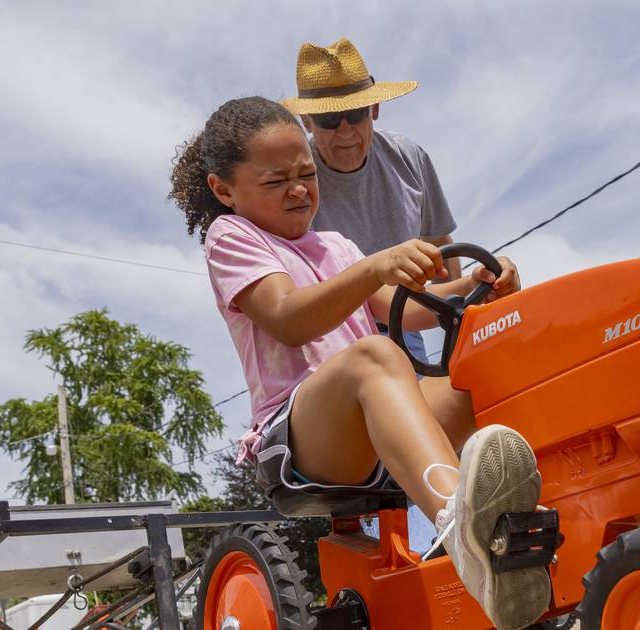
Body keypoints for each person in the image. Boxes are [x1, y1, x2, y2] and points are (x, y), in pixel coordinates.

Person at [169, 96, 550, 629]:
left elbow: (410, 310)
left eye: (306, 173)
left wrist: (472, 287)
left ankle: (557, 515)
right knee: (375, 354)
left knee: (482, 371)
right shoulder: (232, 238)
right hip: (300, 440)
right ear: (223, 189)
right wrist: (375, 267)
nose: (300, 189)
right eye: (277, 181)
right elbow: (287, 317)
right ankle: (460, 523)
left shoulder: (335, 247)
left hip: (375, 426)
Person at [280, 38, 460, 364]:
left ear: (374, 109)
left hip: (403, 325)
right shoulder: (293, 183)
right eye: (329, 119)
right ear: (306, 121)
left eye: (354, 113)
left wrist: (459, 320)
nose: (345, 130)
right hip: (329, 337)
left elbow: (439, 246)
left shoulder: (410, 158)